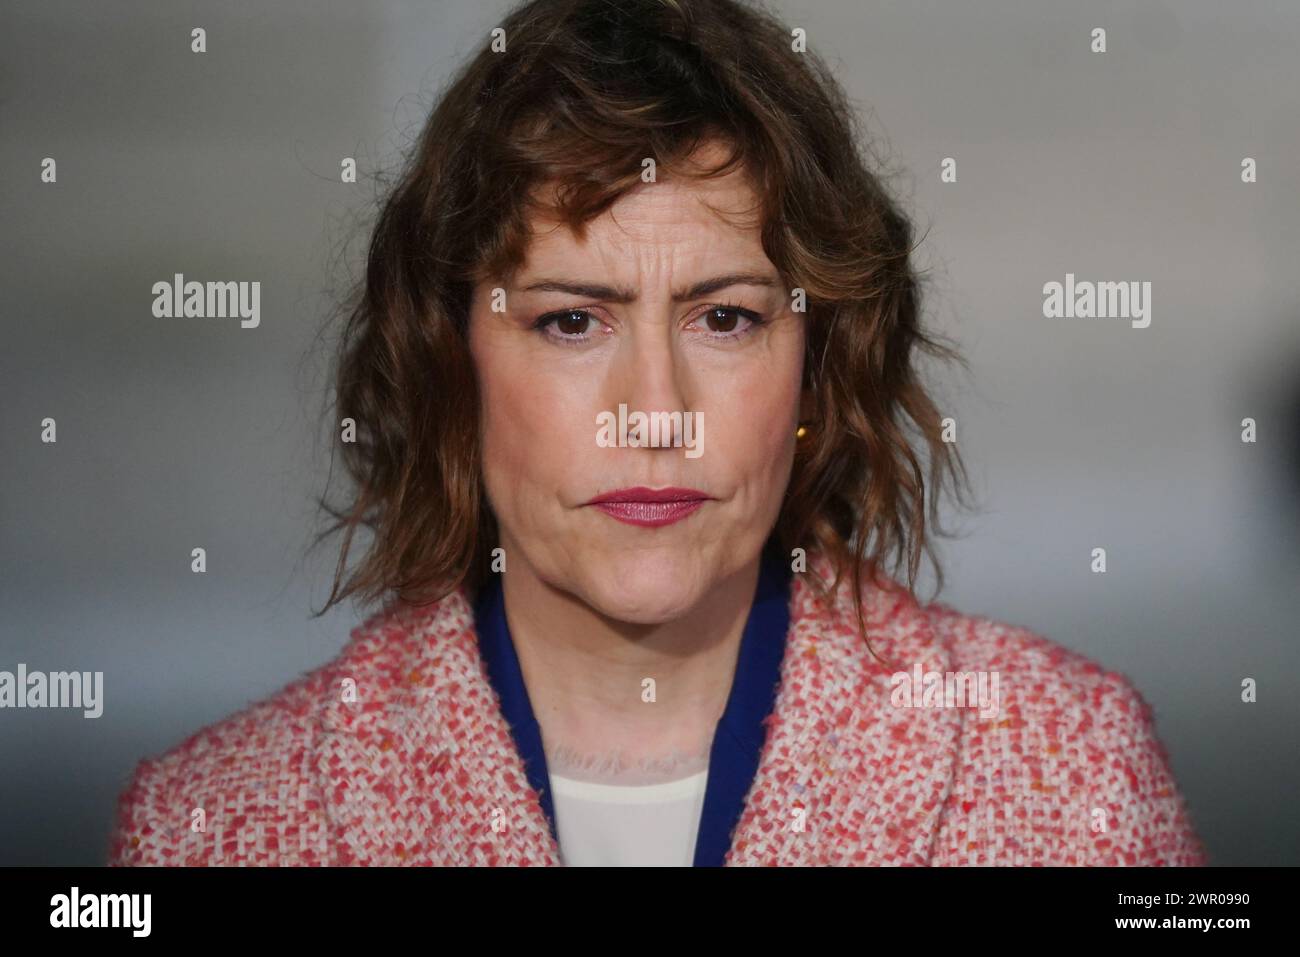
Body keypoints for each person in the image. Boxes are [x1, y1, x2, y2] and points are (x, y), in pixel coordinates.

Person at [108, 0, 1206, 866]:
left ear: (818, 365)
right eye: (571, 321)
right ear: (452, 364)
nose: (653, 408)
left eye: (724, 318)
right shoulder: (205, 825)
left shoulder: (1072, 774)